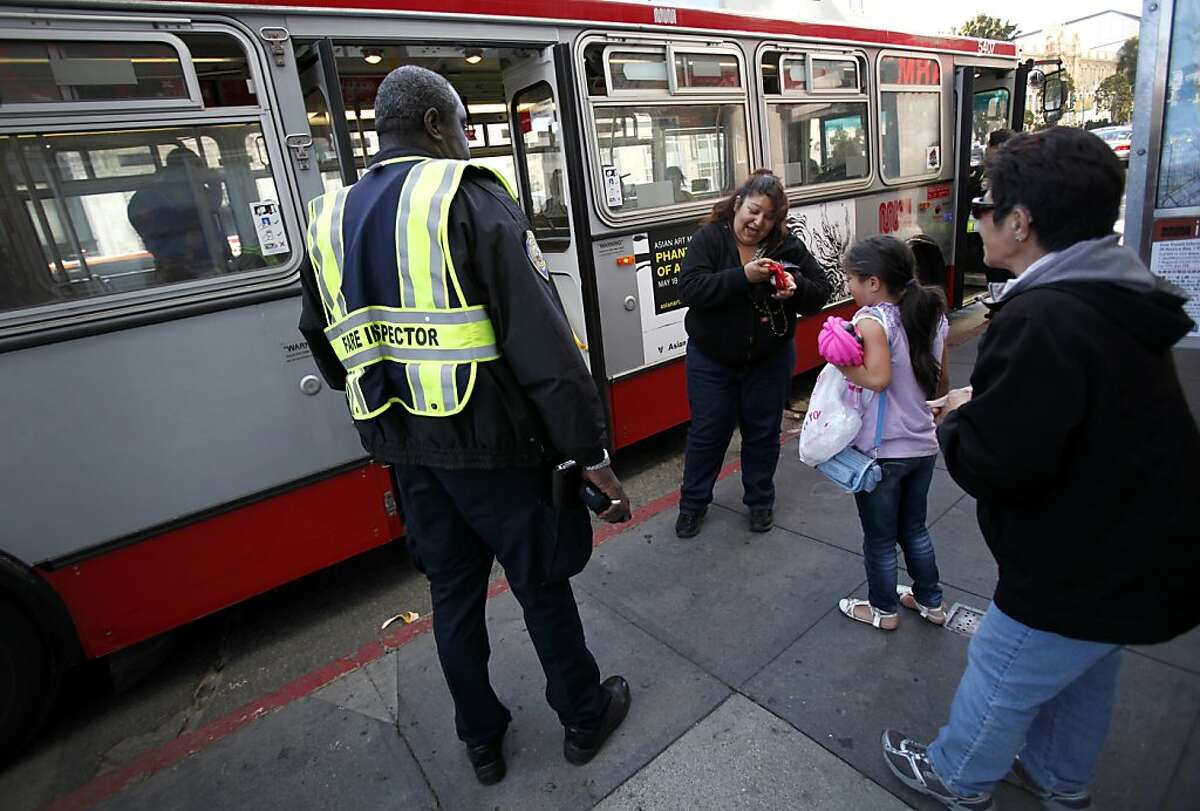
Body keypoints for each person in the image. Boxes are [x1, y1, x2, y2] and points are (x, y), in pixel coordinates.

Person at [298, 66, 634, 787]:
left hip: (407, 453)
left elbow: (326, 344)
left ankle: (481, 743)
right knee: (540, 584)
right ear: (433, 124)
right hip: (497, 448)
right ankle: (583, 717)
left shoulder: (329, 217)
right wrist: (592, 453)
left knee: (452, 597)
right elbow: (543, 346)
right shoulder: (466, 197)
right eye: (458, 123)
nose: (464, 138)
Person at [882, 127, 1200, 809]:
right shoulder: (1110, 289)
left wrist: (959, 420)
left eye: (985, 205)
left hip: (1081, 558)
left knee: (1004, 665)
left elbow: (1002, 463)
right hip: (1144, 545)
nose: (977, 220)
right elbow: (1083, 402)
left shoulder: (1044, 314)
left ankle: (957, 776)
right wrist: (989, 396)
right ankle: (1061, 779)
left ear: (1020, 222)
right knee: (1087, 670)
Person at [674, 170, 831, 538]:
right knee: (708, 434)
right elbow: (690, 290)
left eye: (767, 217)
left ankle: (760, 502)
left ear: (776, 222)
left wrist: (796, 288)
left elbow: (821, 291)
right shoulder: (709, 239)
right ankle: (692, 504)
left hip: (769, 361)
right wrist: (743, 276)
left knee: (762, 434)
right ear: (737, 204)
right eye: (753, 211)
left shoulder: (787, 247)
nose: (757, 222)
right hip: (711, 360)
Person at [833, 236, 950, 632]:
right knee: (914, 527)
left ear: (874, 282)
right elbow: (940, 382)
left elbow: (878, 379)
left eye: (850, 278)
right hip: (922, 446)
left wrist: (841, 365)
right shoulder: (933, 314)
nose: (848, 286)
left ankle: (883, 610)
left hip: (882, 452)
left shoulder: (872, 320)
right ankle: (931, 601)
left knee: (880, 538)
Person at [128, 147, 231, 283]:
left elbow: (212, 207)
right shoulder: (148, 198)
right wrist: (183, 242)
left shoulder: (195, 189)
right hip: (178, 272)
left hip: (212, 265)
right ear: (185, 168)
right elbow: (153, 240)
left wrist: (214, 183)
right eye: (198, 168)